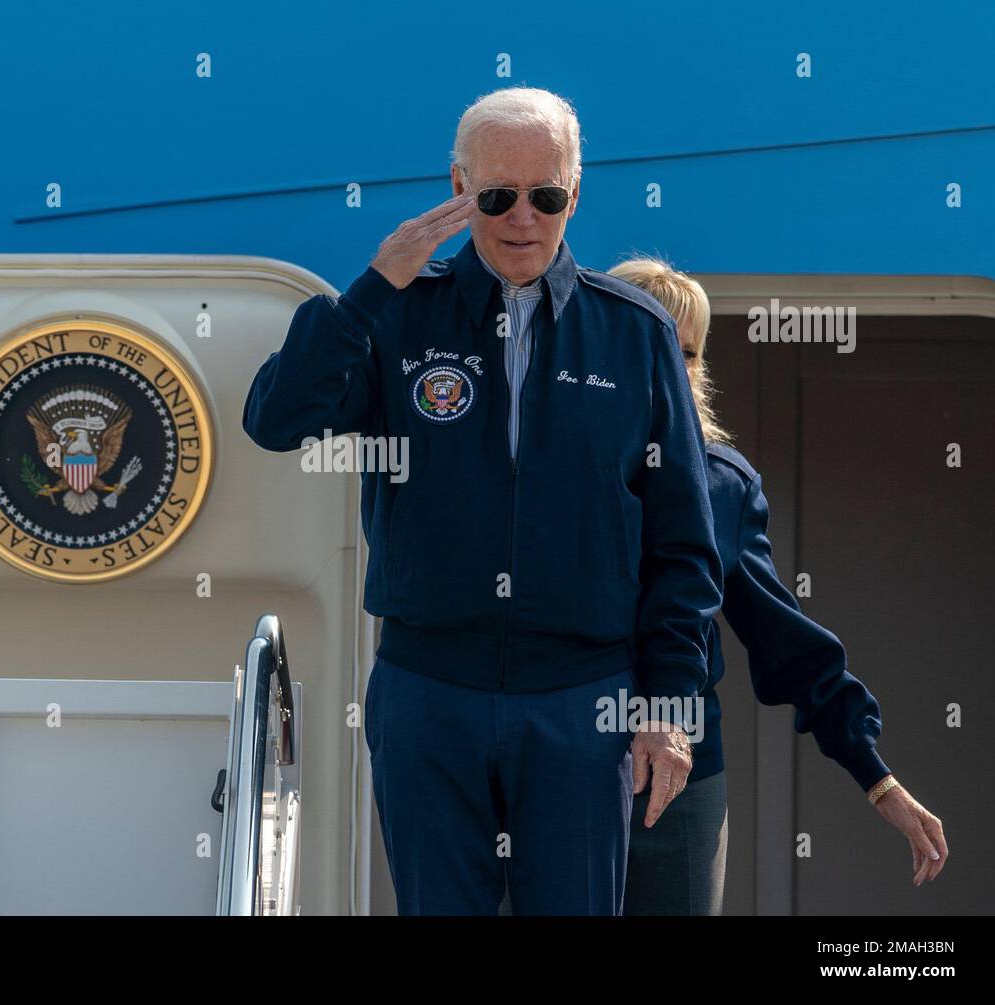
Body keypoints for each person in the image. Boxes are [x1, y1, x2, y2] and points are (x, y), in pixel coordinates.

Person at [242, 87, 722, 915]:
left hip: (584, 700)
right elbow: (277, 421)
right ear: (457, 184)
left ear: (577, 193)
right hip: (430, 691)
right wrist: (366, 293)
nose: (522, 218)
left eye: (548, 197)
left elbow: (683, 542)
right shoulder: (397, 316)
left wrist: (668, 703)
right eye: (496, 196)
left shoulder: (634, 333)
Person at [606, 257, 950, 914]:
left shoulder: (724, 485)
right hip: (555, 767)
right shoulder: (540, 466)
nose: (672, 371)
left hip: (680, 784)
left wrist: (878, 778)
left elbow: (787, 643)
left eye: (688, 354)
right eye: (653, 347)